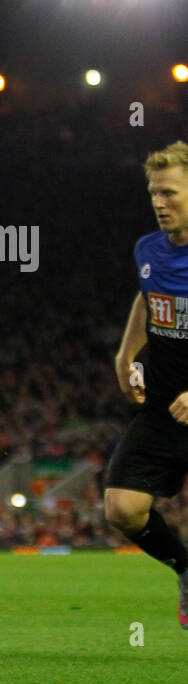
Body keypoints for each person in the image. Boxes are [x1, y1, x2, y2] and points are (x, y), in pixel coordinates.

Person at [105, 140, 188, 626]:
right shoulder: (148, 249)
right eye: (155, 193)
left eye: (171, 193)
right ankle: (184, 568)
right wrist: (126, 352)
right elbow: (146, 296)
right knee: (123, 508)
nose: (160, 202)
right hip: (161, 405)